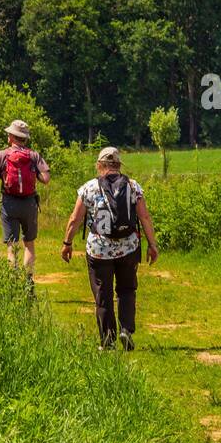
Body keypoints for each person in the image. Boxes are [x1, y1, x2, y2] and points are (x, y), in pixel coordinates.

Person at [61, 147, 159, 351]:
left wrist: (67, 243)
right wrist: (152, 245)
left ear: (100, 165)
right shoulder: (133, 186)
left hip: (99, 250)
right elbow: (145, 217)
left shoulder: (89, 187)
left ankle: (108, 341)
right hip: (128, 247)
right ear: (119, 165)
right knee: (127, 289)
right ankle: (126, 330)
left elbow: (75, 219)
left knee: (103, 293)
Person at [0, 120, 51, 283]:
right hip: (29, 203)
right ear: (24, 138)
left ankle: (13, 282)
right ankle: (28, 282)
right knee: (29, 244)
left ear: (11, 137)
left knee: (12, 246)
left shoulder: (1, 155)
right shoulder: (34, 155)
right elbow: (46, 178)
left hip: (9, 204)